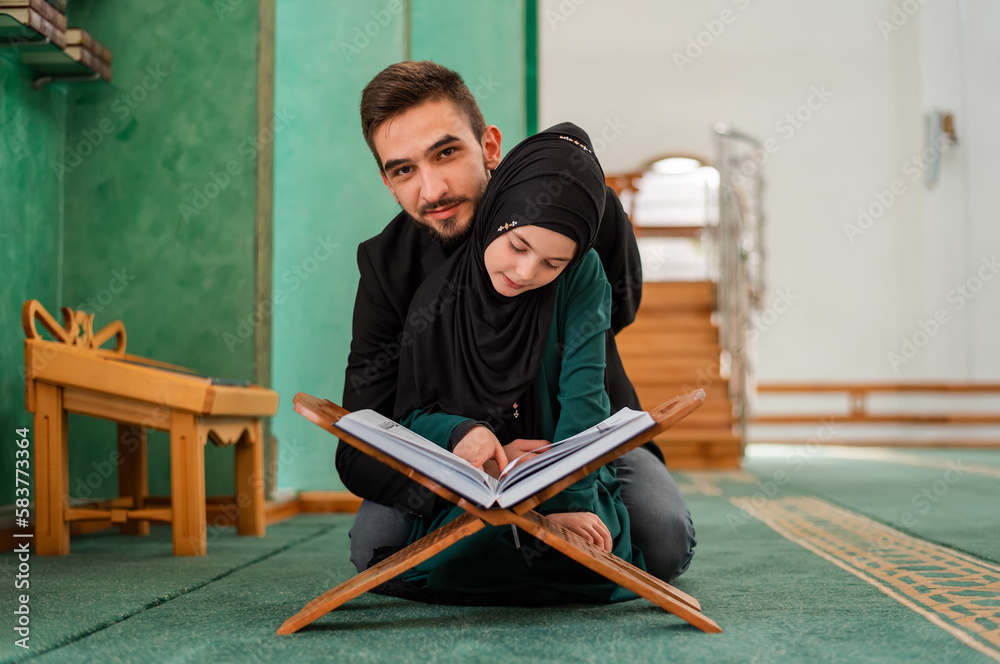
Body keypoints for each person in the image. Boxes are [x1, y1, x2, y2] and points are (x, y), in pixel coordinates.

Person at [339, 60, 695, 583]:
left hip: (584, 431)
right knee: (377, 544)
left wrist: (558, 464)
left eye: (446, 152)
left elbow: (614, 313)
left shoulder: (581, 207)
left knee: (662, 537)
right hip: (458, 459)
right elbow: (359, 450)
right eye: (404, 169)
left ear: (488, 146)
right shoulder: (387, 267)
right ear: (388, 181)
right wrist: (475, 456)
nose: (432, 189)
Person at [392, 122, 639, 601]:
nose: (525, 274)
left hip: (570, 466)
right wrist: (465, 434)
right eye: (518, 247)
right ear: (497, 216)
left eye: (553, 263)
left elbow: (584, 402)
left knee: (625, 546)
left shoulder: (584, 277)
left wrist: (565, 504)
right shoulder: (436, 298)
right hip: (481, 482)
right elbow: (411, 419)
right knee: (460, 554)